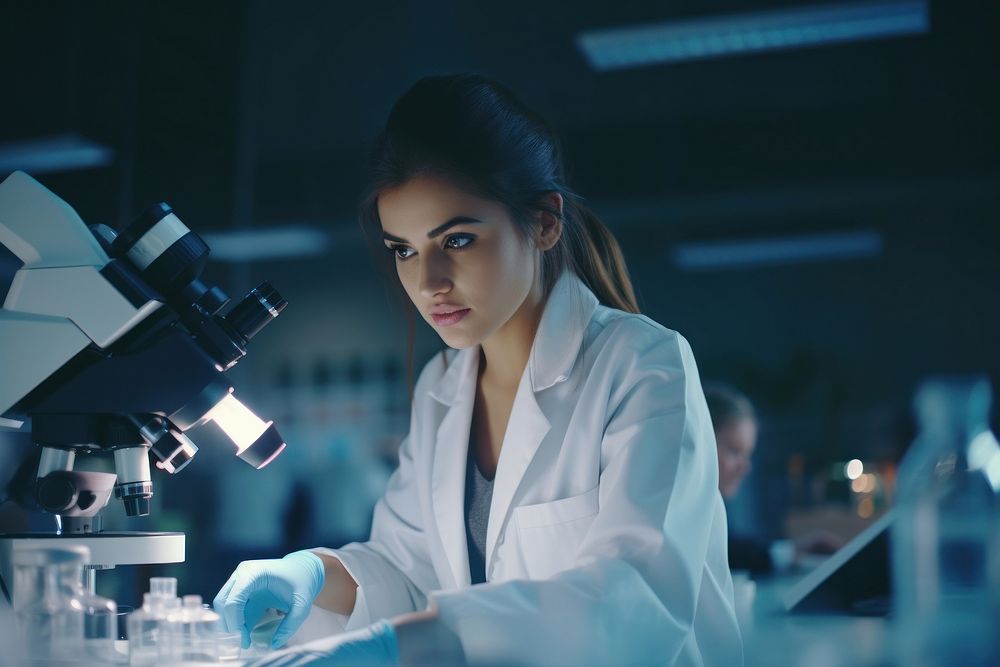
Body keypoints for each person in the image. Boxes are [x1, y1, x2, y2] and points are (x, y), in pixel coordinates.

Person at [214, 74, 743, 667]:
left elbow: (635, 599)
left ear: (544, 222)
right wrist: (313, 572)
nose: (428, 282)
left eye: (458, 240)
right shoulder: (442, 387)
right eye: (404, 249)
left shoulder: (641, 364)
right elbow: (409, 570)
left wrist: (401, 644)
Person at [704, 383, 841, 575]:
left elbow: (730, 546)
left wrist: (792, 551)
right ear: (702, 441)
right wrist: (789, 552)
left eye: (747, 455)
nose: (745, 467)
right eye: (735, 451)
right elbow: (725, 551)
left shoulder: (712, 512)